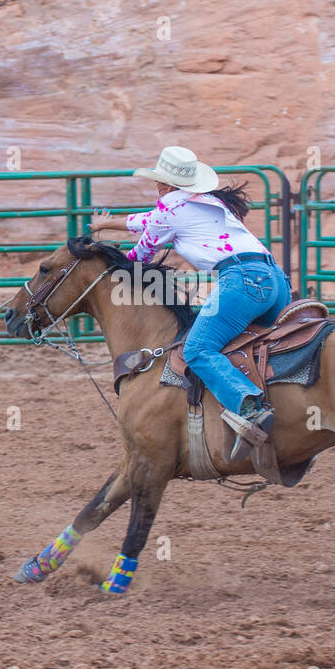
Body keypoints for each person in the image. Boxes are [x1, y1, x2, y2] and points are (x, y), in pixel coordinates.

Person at [92, 146, 292, 460]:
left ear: (164, 184)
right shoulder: (203, 202)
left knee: (196, 349)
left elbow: (141, 255)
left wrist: (110, 261)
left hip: (241, 282)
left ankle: (249, 409)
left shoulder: (169, 207)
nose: (157, 186)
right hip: (276, 282)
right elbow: (146, 220)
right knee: (255, 349)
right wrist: (105, 225)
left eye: (159, 180)